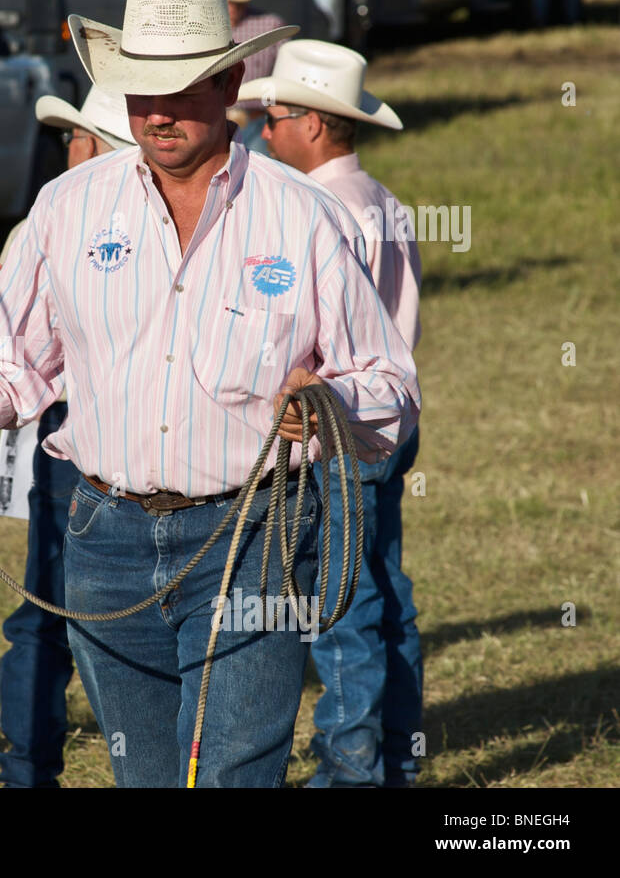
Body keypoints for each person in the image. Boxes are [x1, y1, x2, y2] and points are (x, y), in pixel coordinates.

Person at [0, 0, 420, 788]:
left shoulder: (305, 218)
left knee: (230, 770)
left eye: (182, 87)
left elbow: (391, 384)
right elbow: (5, 362)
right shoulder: (67, 208)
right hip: (104, 538)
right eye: (138, 87)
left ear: (229, 79)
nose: (156, 112)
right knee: (146, 775)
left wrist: (332, 402)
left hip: (253, 537)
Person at [240, 39, 423, 787]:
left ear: (312, 124)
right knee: (385, 595)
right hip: (387, 422)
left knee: (342, 606)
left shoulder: (321, 211)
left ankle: (351, 769)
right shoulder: (383, 198)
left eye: (273, 117)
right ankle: (394, 756)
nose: (260, 133)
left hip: (338, 430)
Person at [0, 85, 135, 788]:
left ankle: (31, 768)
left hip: (92, 434)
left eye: (80, 138)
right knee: (51, 605)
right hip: (69, 434)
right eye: (69, 139)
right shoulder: (49, 221)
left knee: (59, 609)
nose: (69, 150)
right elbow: (1, 347)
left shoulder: (63, 221)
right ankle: (27, 769)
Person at [215, 0, 286, 144]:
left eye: (239, 1)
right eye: (229, 0)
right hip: (213, 121)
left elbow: (284, 79)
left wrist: (272, 115)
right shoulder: (203, 29)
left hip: (256, 122)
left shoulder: (270, 26)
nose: (233, 7)